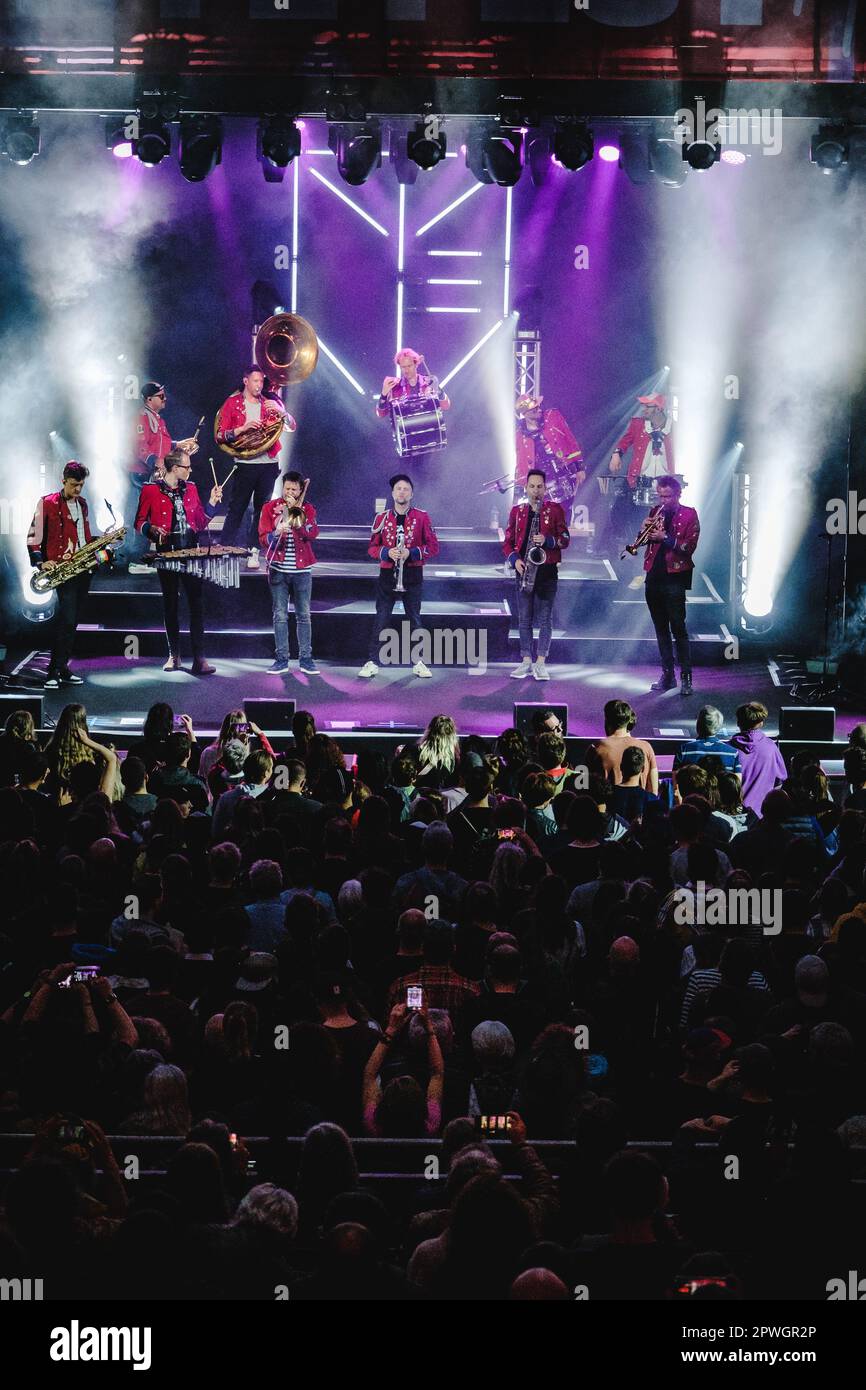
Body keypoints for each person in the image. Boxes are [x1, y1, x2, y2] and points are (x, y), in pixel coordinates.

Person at [134, 449, 222, 674]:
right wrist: (152, 531)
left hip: (191, 553)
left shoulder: (190, 488)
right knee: (171, 605)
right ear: (174, 468)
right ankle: (174, 656)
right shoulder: (151, 490)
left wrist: (212, 502)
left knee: (197, 606)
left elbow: (201, 522)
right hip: (167, 554)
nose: (191, 470)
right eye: (187, 467)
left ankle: (199, 658)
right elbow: (139, 522)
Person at [27, 461, 103, 689]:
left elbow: (84, 536)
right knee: (66, 620)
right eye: (73, 485)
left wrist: (100, 547)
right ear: (63, 480)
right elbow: (33, 535)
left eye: (81, 485)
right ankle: (53, 671)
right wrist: (41, 562)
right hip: (63, 569)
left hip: (84, 568)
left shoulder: (83, 504)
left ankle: (62, 668)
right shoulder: (47, 503)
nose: (78, 489)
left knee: (73, 622)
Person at [358, 473, 439, 680]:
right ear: (393, 493)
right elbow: (372, 548)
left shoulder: (422, 516)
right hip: (387, 573)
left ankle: (419, 661)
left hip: (412, 573)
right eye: (398, 489)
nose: (402, 492)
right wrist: (387, 552)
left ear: (411, 494)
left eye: (406, 489)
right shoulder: (381, 517)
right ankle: (372, 661)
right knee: (381, 618)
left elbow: (433, 547)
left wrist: (410, 553)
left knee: (415, 619)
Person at [215, 365, 297, 567]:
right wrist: (242, 429)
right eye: (255, 381)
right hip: (244, 463)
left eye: (261, 381)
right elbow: (219, 435)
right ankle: (226, 548)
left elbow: (292, 426)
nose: (260, 385)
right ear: (245, 381)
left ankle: (254, 550)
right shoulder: (232, 403)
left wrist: (282, 412)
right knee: (237, 508)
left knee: (263, 509)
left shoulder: (272, 402)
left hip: (268, 462)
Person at [124, 381, 199, 573]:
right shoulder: (141, 418)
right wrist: (160, 464)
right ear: (149, 399)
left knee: (151, 514)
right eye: (161, 396)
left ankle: (142, 558)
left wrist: (179, 445)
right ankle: (135, 560)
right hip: (141, 475)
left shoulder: (157, 418)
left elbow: (161, 445)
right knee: (141, 514)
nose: (165, 399)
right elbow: (140, 447)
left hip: (152, 474)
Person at [504, 467, 570, 682]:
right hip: (524, 571)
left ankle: (541, 662)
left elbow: (565, 539)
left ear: (545, 488)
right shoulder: (517, 511)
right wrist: (516, 560)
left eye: (539, 487)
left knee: (545, 619)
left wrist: (548, 541)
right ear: (526, 488)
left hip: (547, 571)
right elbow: (507, 543)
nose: (536, 491)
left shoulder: (555, 509)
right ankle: (526, 660)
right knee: (524, 619)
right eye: (531, 486)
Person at [641, 476, 700, 695]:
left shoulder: (689, 514)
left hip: (675, 576)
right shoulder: (654, 511)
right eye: (660, 495)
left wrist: (665, 537)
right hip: (654, 576)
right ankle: (667, 675)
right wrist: (643, 531)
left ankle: (686, 677)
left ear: (678, 495)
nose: (663, 500)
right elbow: (645, 541)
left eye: (667, 496)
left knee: (678, 627)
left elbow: (689, 547)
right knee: (660, 628)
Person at [258, 470, 319, 675]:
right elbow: (263, 537)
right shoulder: (270, 508)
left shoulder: (308, 509)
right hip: (278, 569)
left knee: (304, 615)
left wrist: (295, 514)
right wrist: (276, 532)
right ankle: (281, 659)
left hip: (302, 571)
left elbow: (312, 534)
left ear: (301, 490)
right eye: (286, 488)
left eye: (294, 489)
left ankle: (306, 659)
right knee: (280, 615)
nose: (289, 492)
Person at [513, 393, 585, 521]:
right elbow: (521, 461)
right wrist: (520, 485)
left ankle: (561, 538)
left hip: (563, 472)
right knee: (543, 518)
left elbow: (570, 440)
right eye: (534, 409)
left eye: (538, 407)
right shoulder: (520, 434)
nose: (539, 410)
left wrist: (579, 467)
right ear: (525, 413)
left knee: (564, 513)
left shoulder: (552, 416)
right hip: (540, 480)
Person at [587, 699, 659, 794]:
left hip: (609, 807)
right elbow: (654, 791)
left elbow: (583, 785)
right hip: (640, 807)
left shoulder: (595, 748)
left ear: (607, 721)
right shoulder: (646, 747)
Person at [730, 701, 787, 815]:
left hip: (734, 814)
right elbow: (780, 781)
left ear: (738, 722)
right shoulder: (771, 748)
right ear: (761, 723)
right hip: (761, 816)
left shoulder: (729, 750)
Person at [609, 393, 675, 489]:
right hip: (640, 481)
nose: (644, 409)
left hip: (666, 485)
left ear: (659, 409)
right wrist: (616, 454)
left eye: (648, 407)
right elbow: (624, 442)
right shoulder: (638, 424)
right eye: (644, 406)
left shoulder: (674, 428)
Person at [377, 347, 450, 428]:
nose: (406, 370)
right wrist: (383, 394)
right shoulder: (395, 388)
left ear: (416, 364)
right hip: (408, 436)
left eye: (409, 366)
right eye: (403, 367)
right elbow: (380, 414)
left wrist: (438, 390)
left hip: (431, 430)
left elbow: (446, 406)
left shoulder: (428, 382)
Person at [673, 706, 742, 777]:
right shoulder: (732, 753)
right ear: (718, 726)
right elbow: (737, 784)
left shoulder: (684, 750)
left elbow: (676, 785)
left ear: (698, 725)